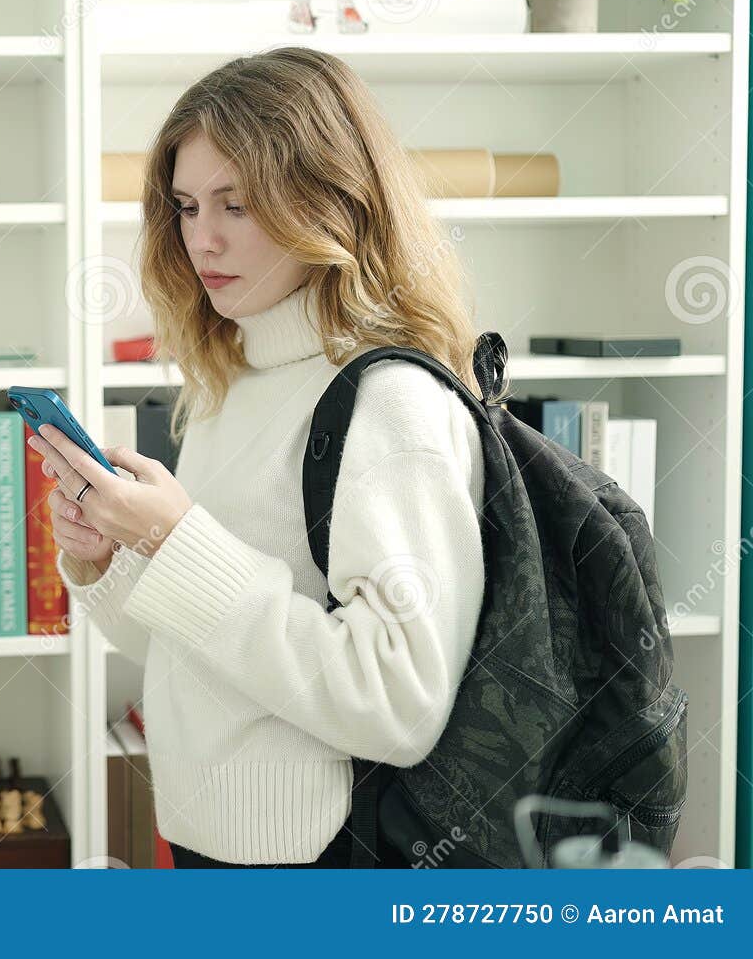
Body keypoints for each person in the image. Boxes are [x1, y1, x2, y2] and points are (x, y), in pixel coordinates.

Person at [35, 47, 487, 868]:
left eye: (236, 205)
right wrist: (108, 559)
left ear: (329, 201)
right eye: (184, 205)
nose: (201, 238)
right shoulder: (233, 376)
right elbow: (194, 648)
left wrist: (177, 543)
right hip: (215, 842)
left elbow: (401, 703)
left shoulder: (389, 401)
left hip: (323, 861)